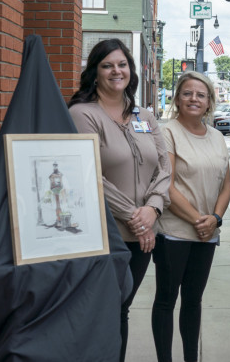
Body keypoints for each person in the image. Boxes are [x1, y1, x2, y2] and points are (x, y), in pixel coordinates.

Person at [68, 38, 170, 362]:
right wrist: (134, 216)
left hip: (142, 235)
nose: (116, 71)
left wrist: (152, 209)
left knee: (122, 309)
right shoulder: (82, 114)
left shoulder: (145, 115)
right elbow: (88, 173)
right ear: (94, 72)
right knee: (103, 312)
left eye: (122, 64)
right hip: (105, 234)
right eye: (107, 65)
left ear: (131, 70)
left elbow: (165, 167)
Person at [151, 70, 230, 362]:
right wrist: (201, 219)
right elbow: (167, 185)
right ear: (177, 98)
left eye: (200, 94)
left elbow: (226, 185)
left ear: (210, 101)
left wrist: (216, 219)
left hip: (208, 234)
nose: (193, 99)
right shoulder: (168, 132)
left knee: (193, 301)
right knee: (166, 300)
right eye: (187, 93)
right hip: (174, 232)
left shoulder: (217, 137)